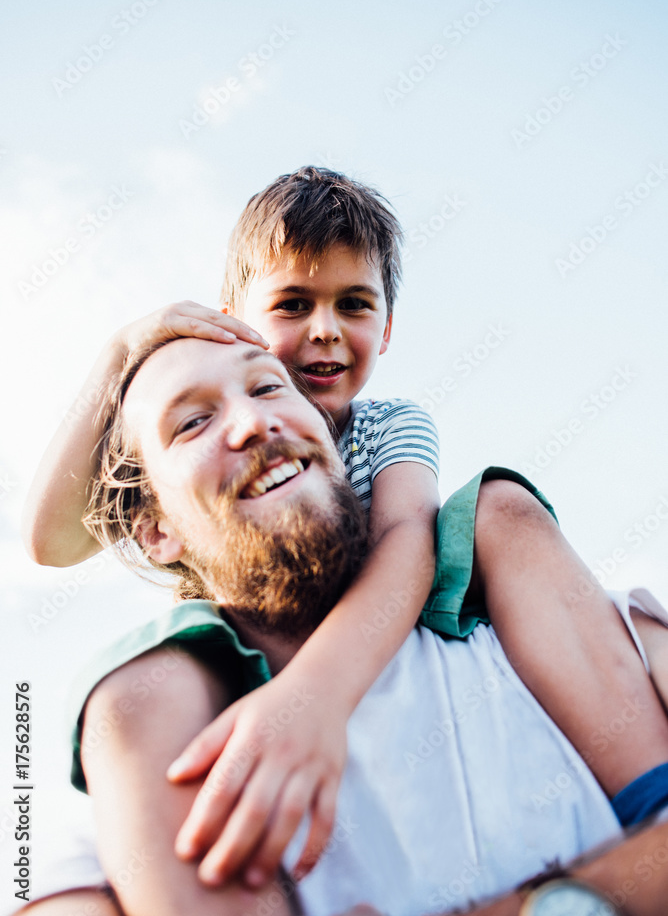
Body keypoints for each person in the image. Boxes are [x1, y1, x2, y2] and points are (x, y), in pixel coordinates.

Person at [21, 167, 668, 890]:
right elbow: (49, 542)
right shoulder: (161, 669)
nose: (325, 328)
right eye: (294, 303)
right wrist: (121, 351)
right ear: (235, 319)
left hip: (392, 609)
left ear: (386, 328)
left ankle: (652, 800)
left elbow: (406, 542)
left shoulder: (389, 425)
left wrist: (314, 699)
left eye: (353, 304)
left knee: (498, 508)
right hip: (255, 635)